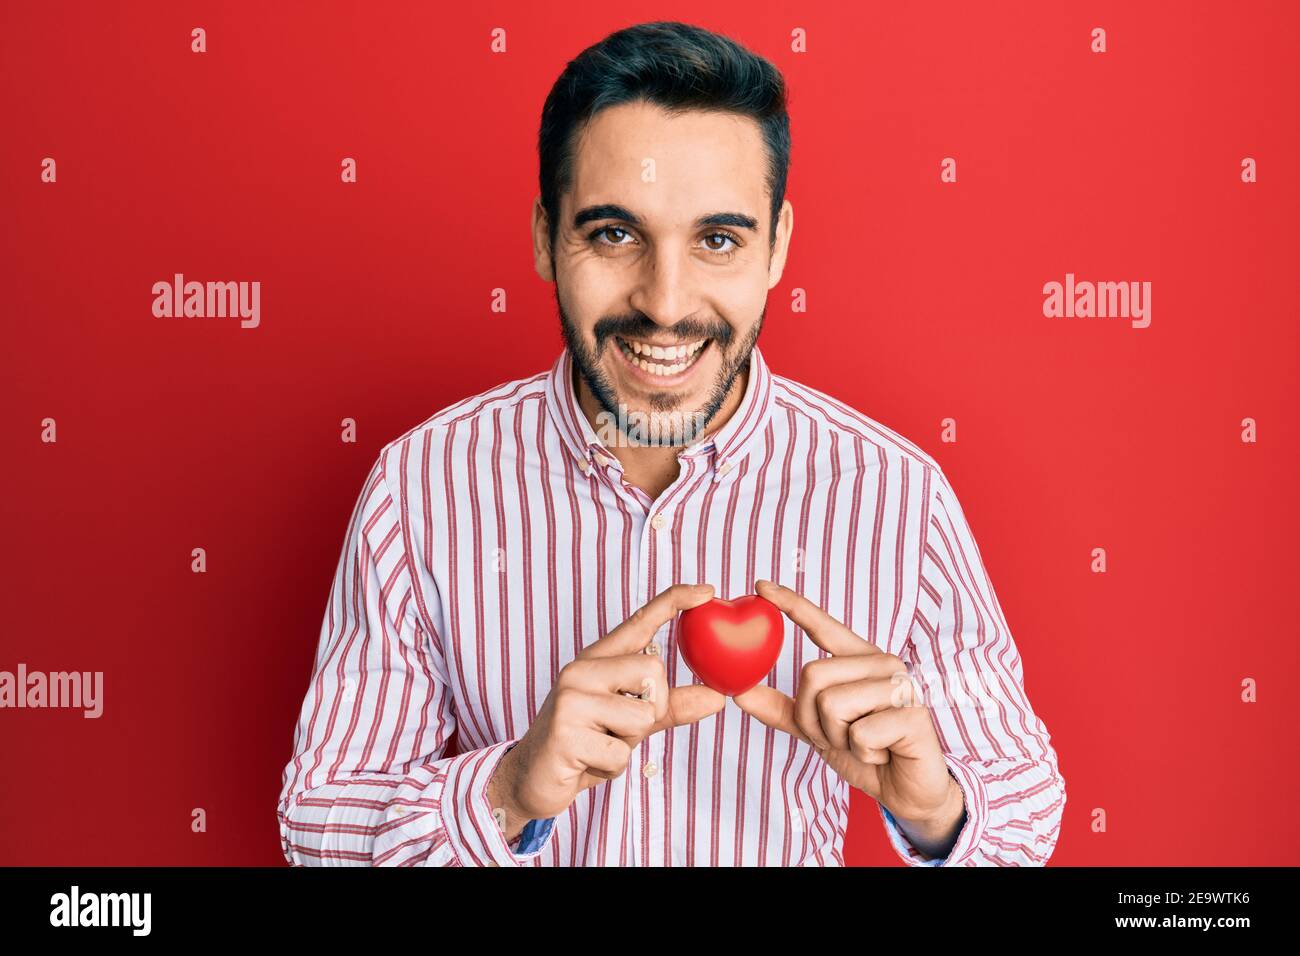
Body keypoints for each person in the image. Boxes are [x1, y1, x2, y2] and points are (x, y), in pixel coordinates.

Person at [276, 20, 1065, 866]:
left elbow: (1025, 814)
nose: (664, 302)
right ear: (547, 238)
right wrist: (508, 790)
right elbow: (317, 826)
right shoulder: (421, 486)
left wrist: (936, 807)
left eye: (718, 240)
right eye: (615, 234)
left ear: (778, 248)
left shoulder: (894, 494)